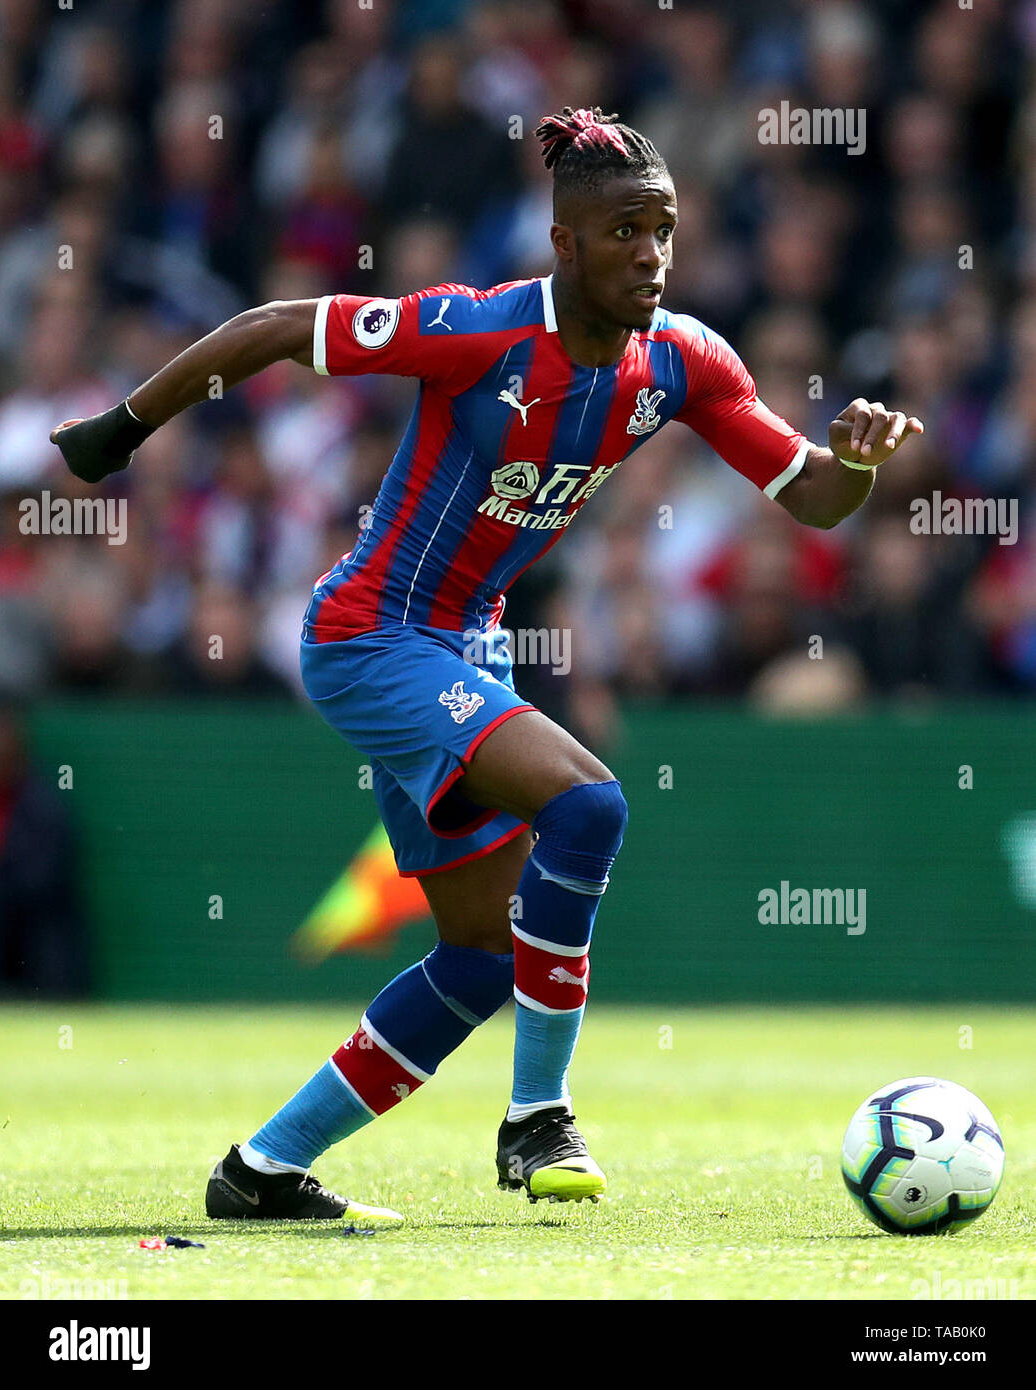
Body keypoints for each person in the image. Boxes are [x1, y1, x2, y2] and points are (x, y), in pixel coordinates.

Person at [50, 106, 923, 1225]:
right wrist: (121, 427)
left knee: (474, 959)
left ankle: (260, 1170)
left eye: (661, 229)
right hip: (371, 637)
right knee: (591, 805)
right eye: (621, 233)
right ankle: (536, 1117)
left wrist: (850, 465)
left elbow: (809, 495)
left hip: (465, 647)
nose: (649, 253)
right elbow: (275, 325)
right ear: (564, 244)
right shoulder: (477, 329)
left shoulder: (683, 361)